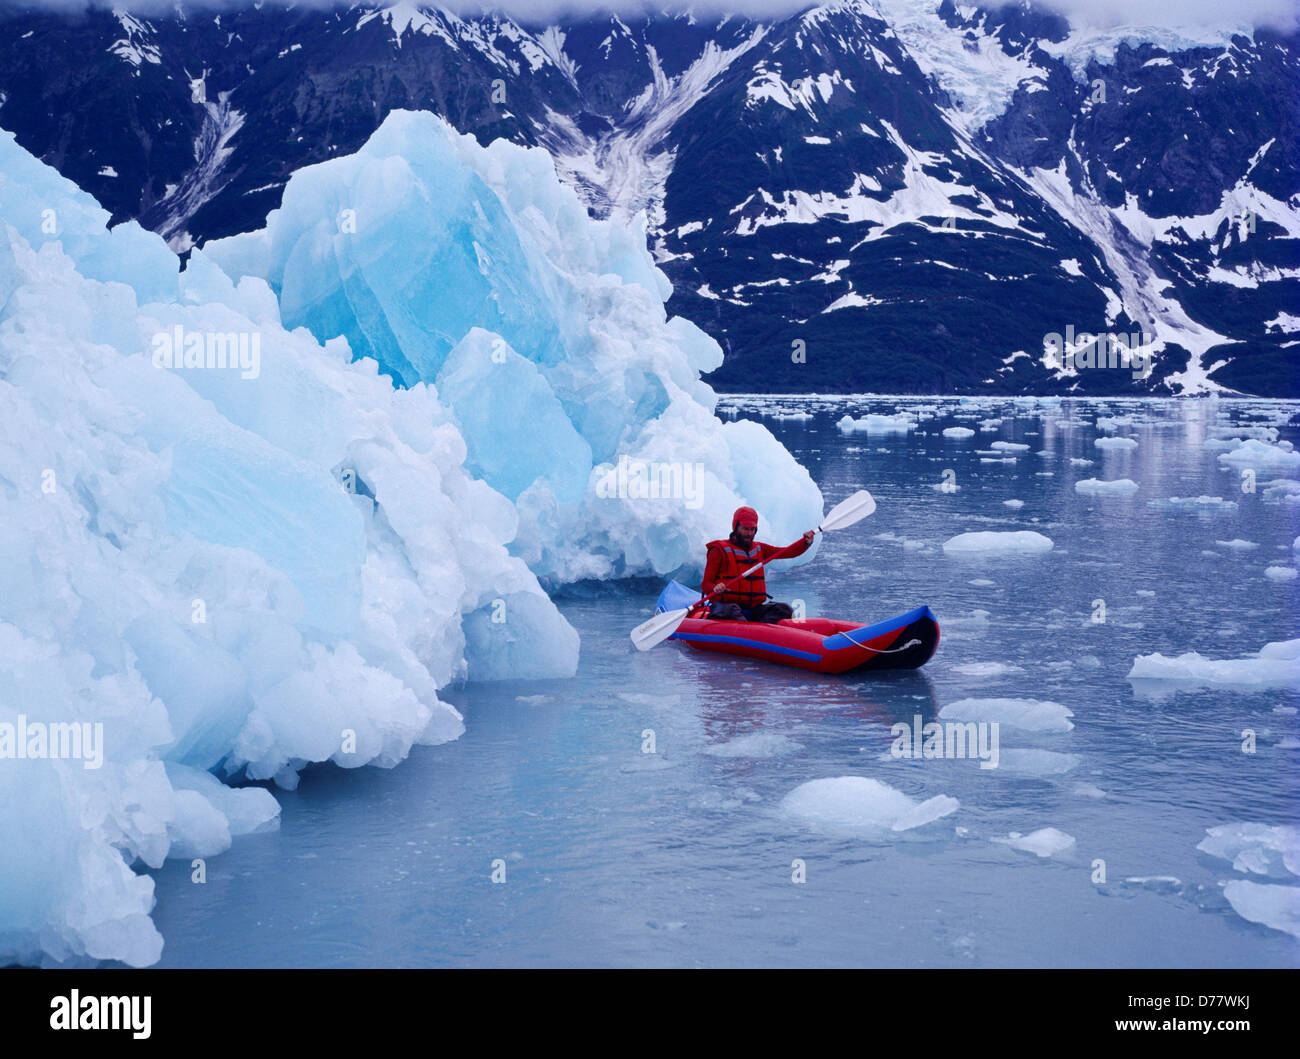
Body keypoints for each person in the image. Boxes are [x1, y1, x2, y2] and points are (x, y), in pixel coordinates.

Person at [700, 506, 816, 622]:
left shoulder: (760, 548)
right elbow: (705, 585)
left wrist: (805, 543)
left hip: (754, 610)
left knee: (784, 610)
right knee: (731, 611)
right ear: (735, 527)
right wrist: (715, 587)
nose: (749, 533)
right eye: (745, 528)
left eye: (752, 529)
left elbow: (787, 552)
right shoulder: (718, 550)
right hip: (726, 608)